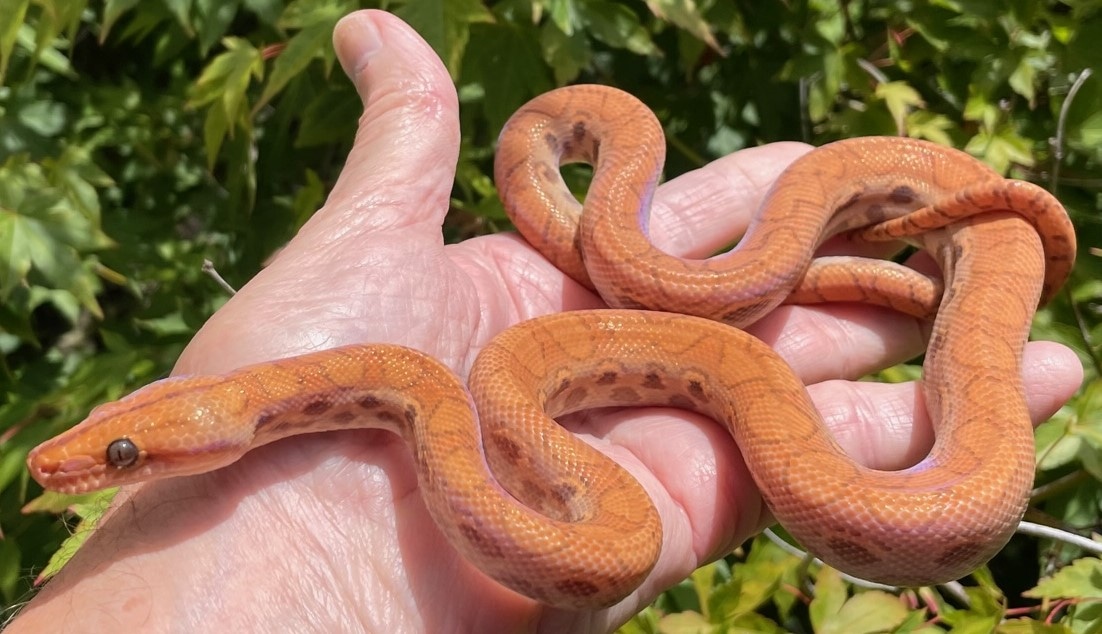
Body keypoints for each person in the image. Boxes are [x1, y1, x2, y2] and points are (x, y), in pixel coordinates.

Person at [9, 9, 1083, 634]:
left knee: (953, 317)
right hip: (568, 401)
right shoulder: (469, 392)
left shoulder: (487, 388)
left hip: (650, 348)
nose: (100, 465)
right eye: (121, 450)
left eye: (121, 448)